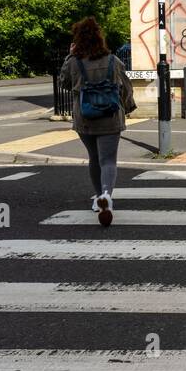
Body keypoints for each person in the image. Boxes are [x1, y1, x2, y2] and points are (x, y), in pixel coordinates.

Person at [60, 18, 136, 226]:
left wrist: (70, 55)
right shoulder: (113, 60)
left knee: (94, 158)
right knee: (108, 160)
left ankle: (97, 198)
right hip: (110, 116)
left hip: (85, 118)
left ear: (78, 40)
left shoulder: (74, 62)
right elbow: (126, 87)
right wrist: (127, 108)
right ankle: (106, 195)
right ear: (99, 38)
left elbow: (64, 83)